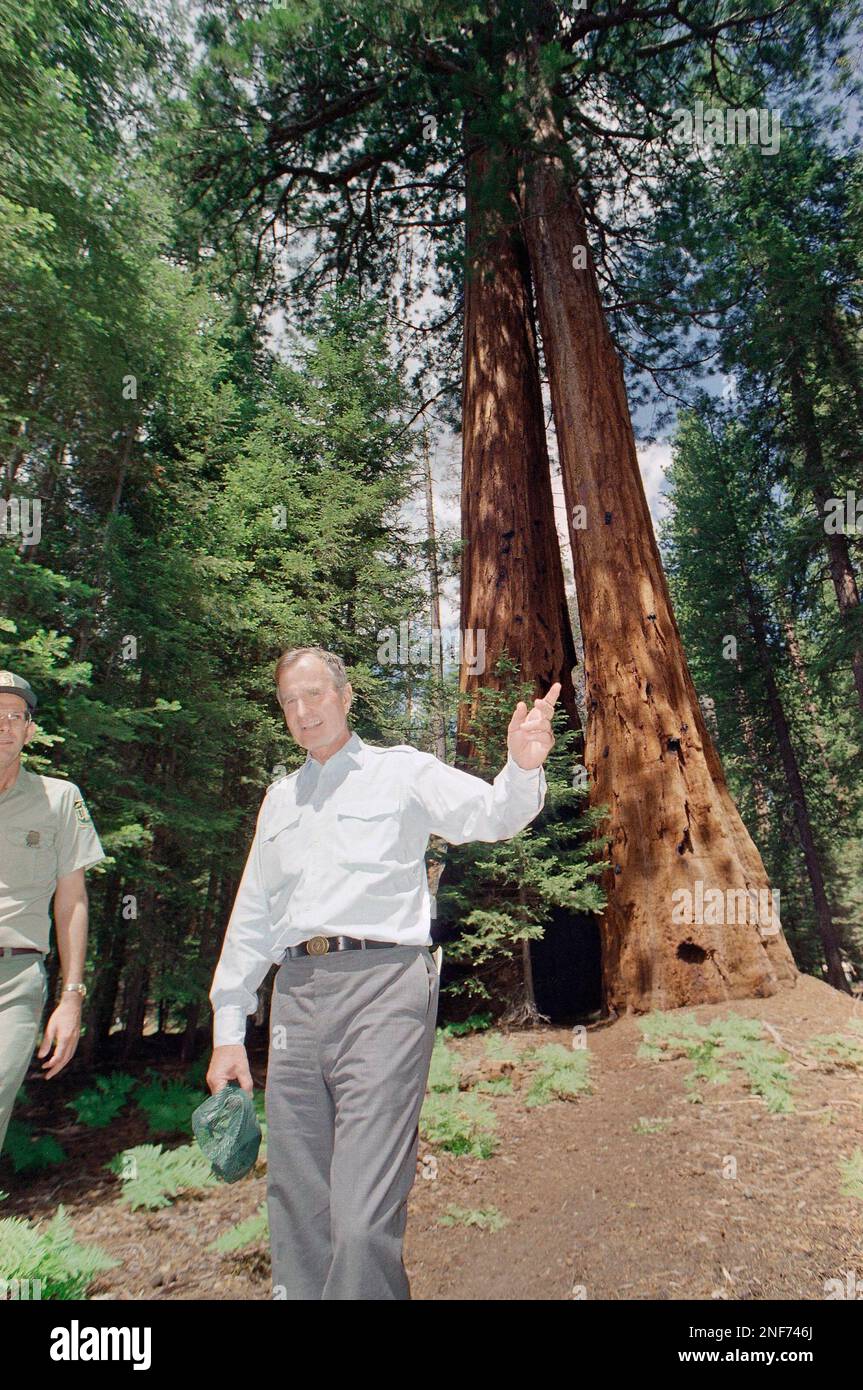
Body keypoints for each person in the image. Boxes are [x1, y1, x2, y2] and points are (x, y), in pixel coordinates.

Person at [208, 645, 560, 1300]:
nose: (303, 710)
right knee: (297, 1199)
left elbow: (492, 814)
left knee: (362, 1221)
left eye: (315, 695)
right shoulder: (279, 801)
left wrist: (522, 764)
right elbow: (252, 919)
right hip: (297, 996)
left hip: (384, 989)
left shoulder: (401, 773)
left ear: (344, 698)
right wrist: (230, 1028)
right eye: (289, 701)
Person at [0, 671, 106, 1155]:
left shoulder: (60, 799)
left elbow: (72, 901)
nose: (3, 726)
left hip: (15, 979)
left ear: (29, 731)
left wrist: (72, 997)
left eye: (14, 716)